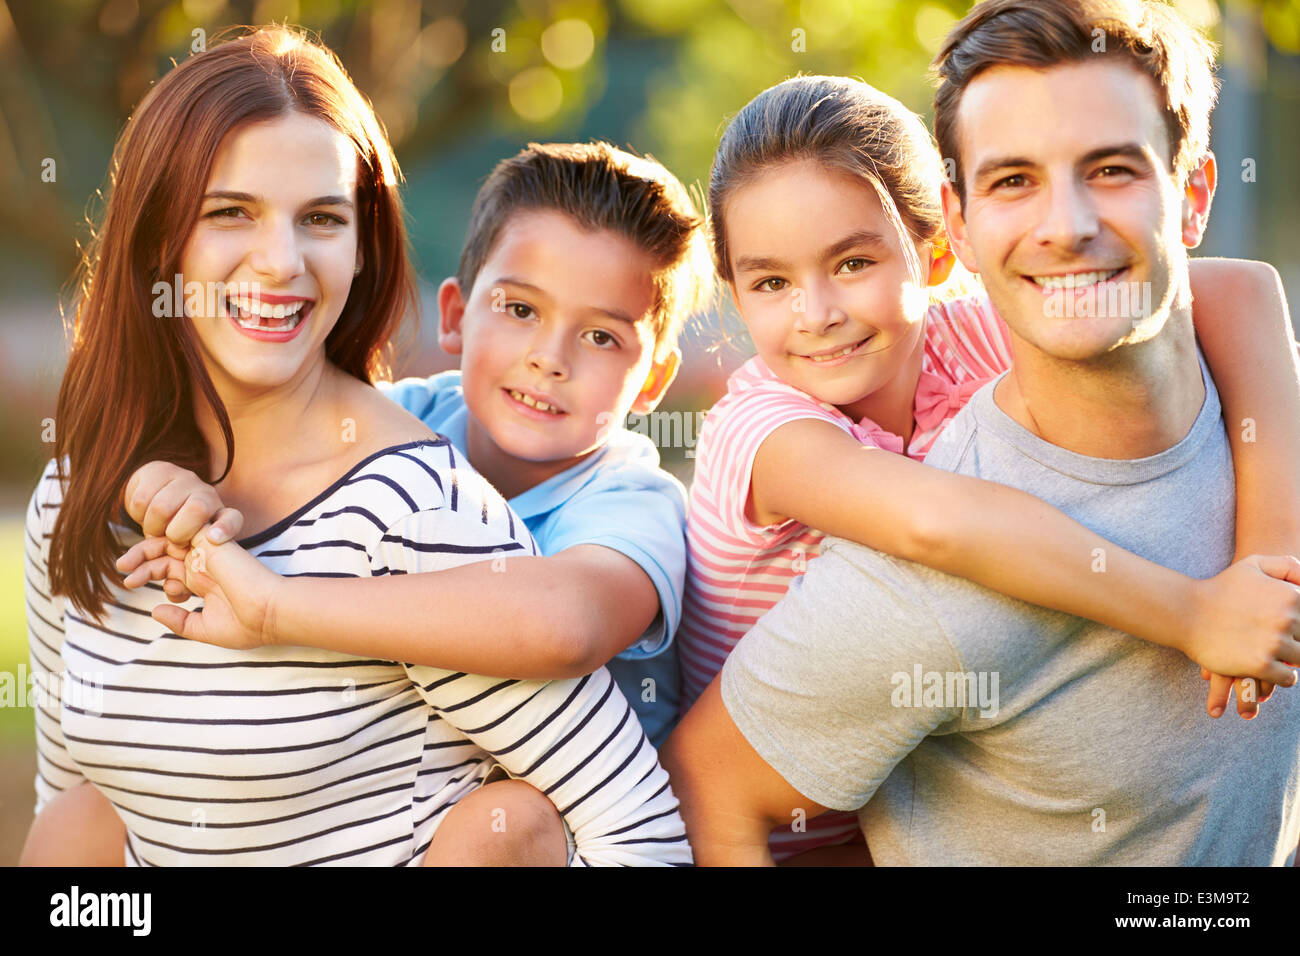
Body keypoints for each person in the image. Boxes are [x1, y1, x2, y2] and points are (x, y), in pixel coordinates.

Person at [21, 26, 689, 867]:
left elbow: (636, 830)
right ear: (160, 235)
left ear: (361, 245)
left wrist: (274, 606)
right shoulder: (72, 496)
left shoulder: (412, 508)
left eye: (321, 219)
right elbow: (70, 797)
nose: (279, 261)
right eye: (231, 212)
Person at [662, 0, 1300, 866]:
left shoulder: (977, 323)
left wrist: (1266, 570)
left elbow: (1241, 290)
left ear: (935, 252)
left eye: (852, 263)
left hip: (876, 783)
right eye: (770, 282)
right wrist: (1195, 614)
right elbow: (939, 526)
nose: (817, 313)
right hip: (791, 815)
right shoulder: (772, 433)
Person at [114, 140, 712, 750]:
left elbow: (569, 626)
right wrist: (179, 490)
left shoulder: (633, 501)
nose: (548, 358)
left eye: (601, 337)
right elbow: (271, 461)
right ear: (453, 315)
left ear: (654, 381)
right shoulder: (402, 419)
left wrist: (275, 607)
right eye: (521, 308)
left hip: (570, 816)